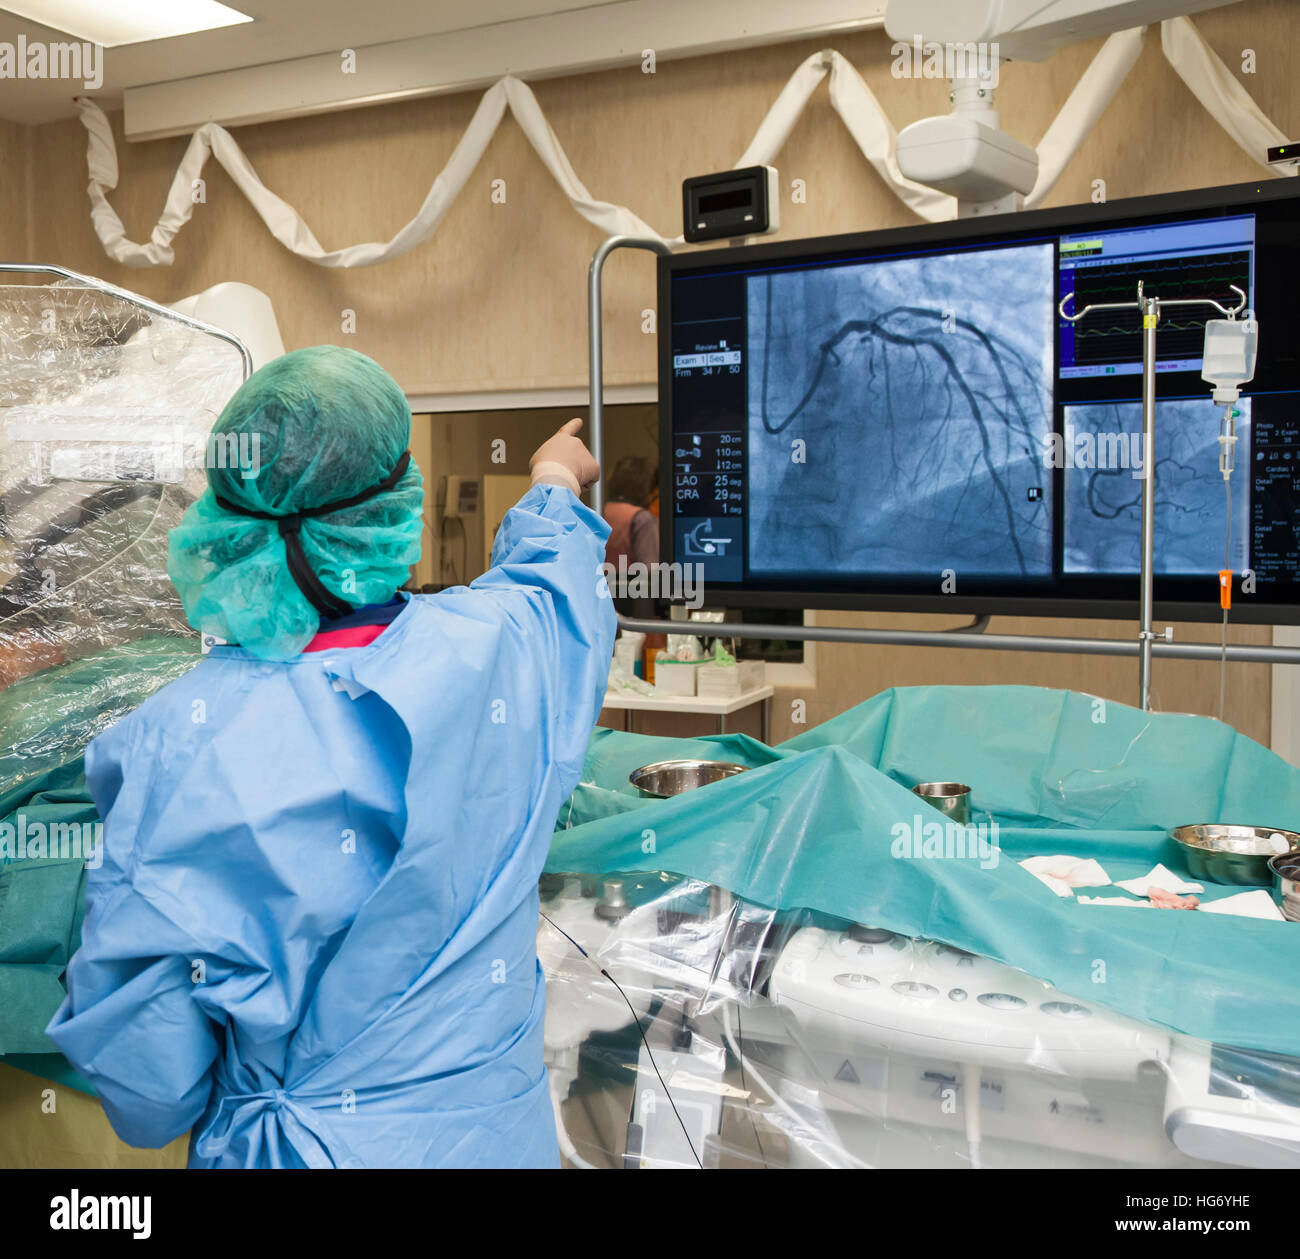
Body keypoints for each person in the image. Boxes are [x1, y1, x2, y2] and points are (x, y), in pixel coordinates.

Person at [47, 345, 616, 1168]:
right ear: (397, 508)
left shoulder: (174, 742)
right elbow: (553, 582)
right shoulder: (503, 650)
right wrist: (553, 477)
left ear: (227, 524)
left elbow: (150, 1090)